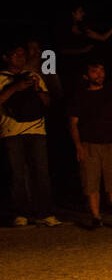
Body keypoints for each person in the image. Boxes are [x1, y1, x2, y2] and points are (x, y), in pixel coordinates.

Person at [0, 42, 60, 226]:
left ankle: (45, 213)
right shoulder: (2, 78)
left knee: (41, 172)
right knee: (17, 175)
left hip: (37, 129)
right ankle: (20, 213)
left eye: (23, 55)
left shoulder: (34, 76)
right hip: (12, 131)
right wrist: (15, 88)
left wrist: (36, 88)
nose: (21, 58)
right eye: (16, 55)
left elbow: (48, 102)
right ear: (6, 57)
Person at [69, 61, 112, 228]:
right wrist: (78, 146)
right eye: (94, 71)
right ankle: (96, 217)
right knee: (91, 183)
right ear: (86, 75)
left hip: (111, 144)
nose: (99, 74)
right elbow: (73, 123)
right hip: (89, 145)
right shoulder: (80, 96)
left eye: (101, 70)